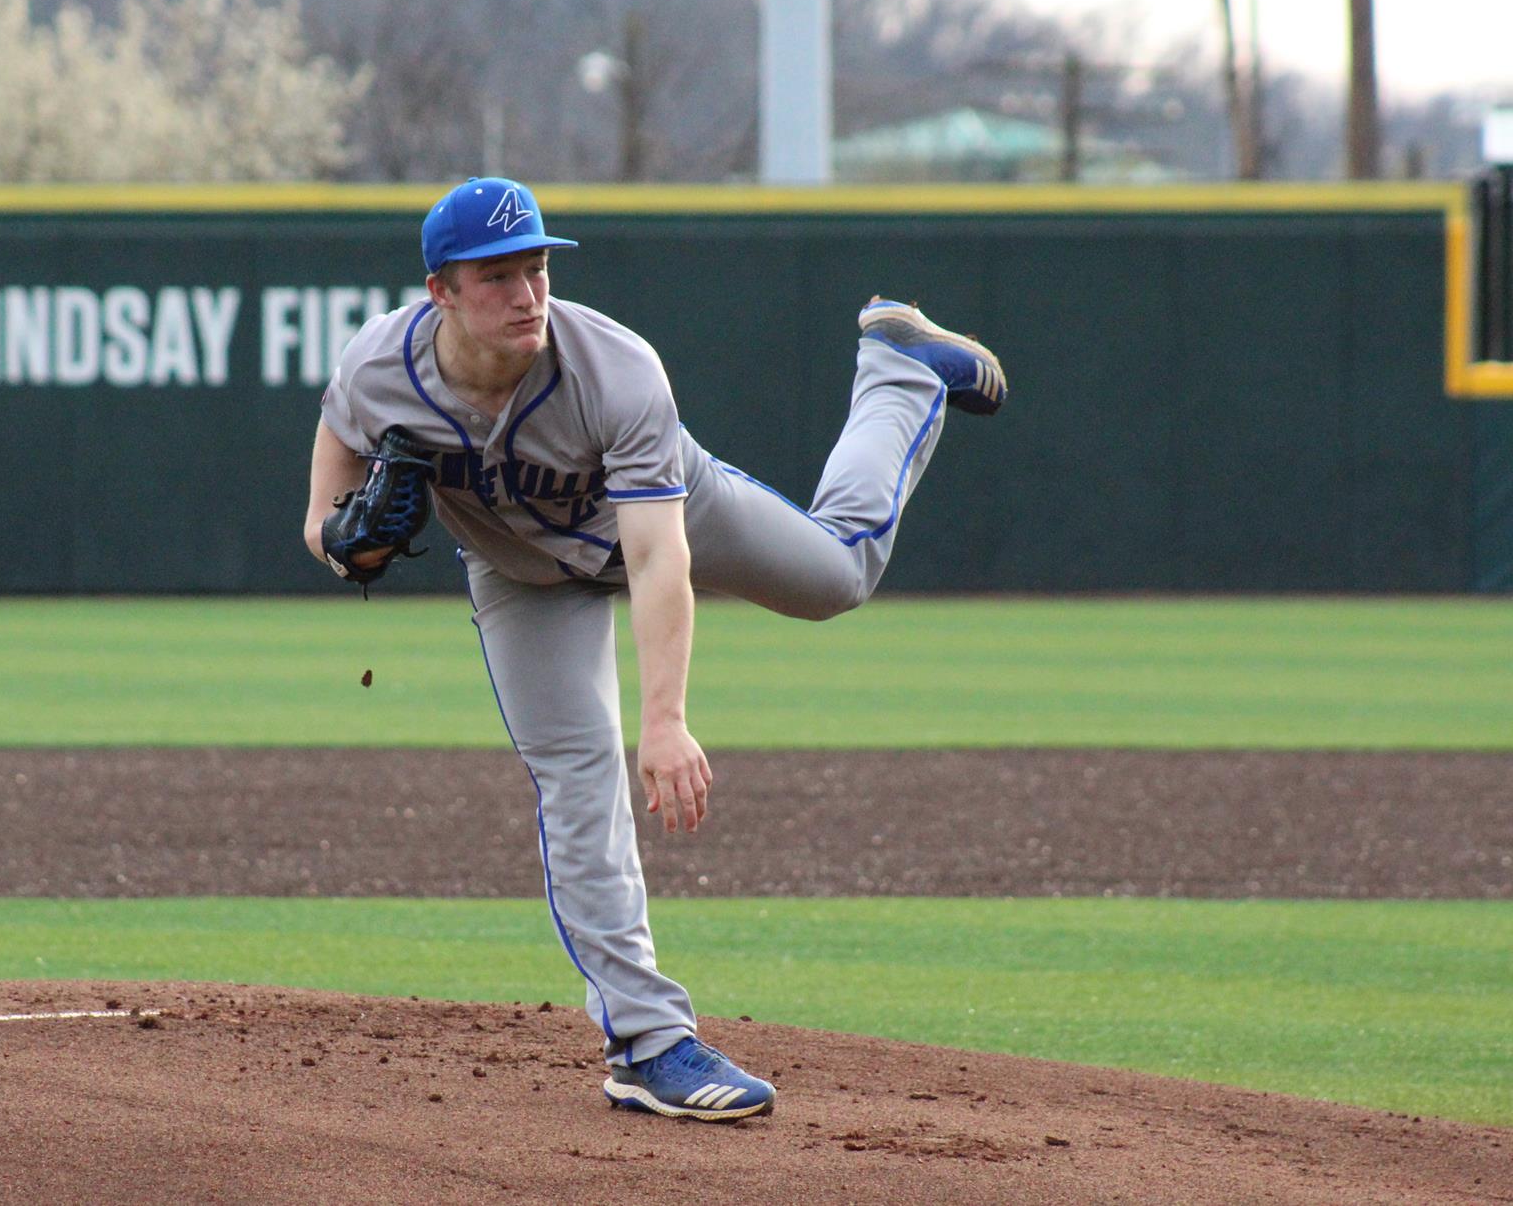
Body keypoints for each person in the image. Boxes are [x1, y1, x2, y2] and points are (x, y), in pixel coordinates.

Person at [303, 177, 1006, 1122]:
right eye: (498, 275)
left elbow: (657, 557)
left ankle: (899, 368)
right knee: (575, 772)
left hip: (669, 513)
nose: (527, 294)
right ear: (441, 291)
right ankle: (647, 1042)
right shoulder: (375, 370)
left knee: (838, 576)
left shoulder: (614, 369)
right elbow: (327, 526)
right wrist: (352, 545)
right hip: (522, 577)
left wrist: (666, 718)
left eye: (538, 267)